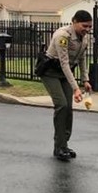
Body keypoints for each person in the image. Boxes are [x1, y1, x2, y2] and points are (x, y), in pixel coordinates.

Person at [40, 10, 94, 161]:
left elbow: (82, 60)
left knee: (68, 108)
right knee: (61, 105)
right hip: (50, 72)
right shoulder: (62, 36)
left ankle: (64, 144)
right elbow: (64, 63)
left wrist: (85, 80)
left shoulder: (84, 39)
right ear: (74, 21)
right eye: (85, 26)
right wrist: (76, 89)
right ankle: (58, 147)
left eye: (90, 27)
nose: (87, 30)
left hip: (65, 73)